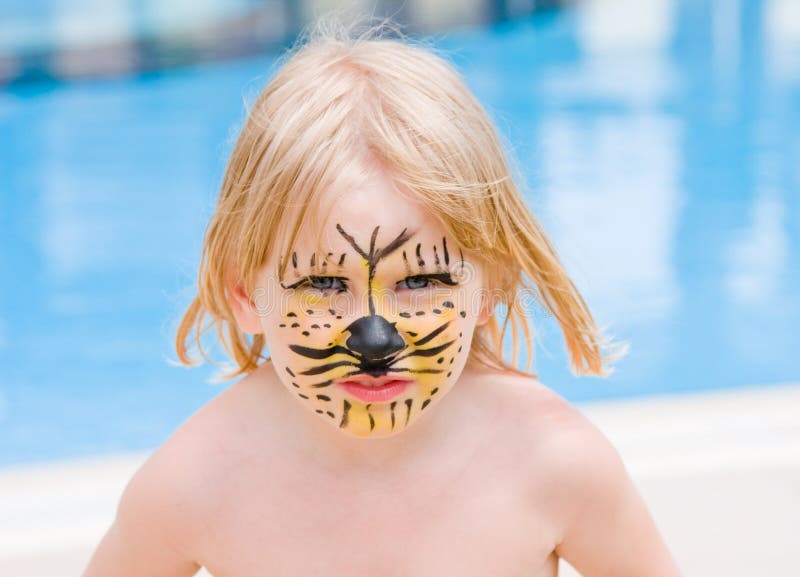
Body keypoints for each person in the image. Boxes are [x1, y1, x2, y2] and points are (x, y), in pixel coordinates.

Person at [82, 18, 682, 577]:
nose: (375, 336)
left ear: (491, 285)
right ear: (244, 294)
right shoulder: (197, 483)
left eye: (421, 281)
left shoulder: (552, 462)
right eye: (322, 284)